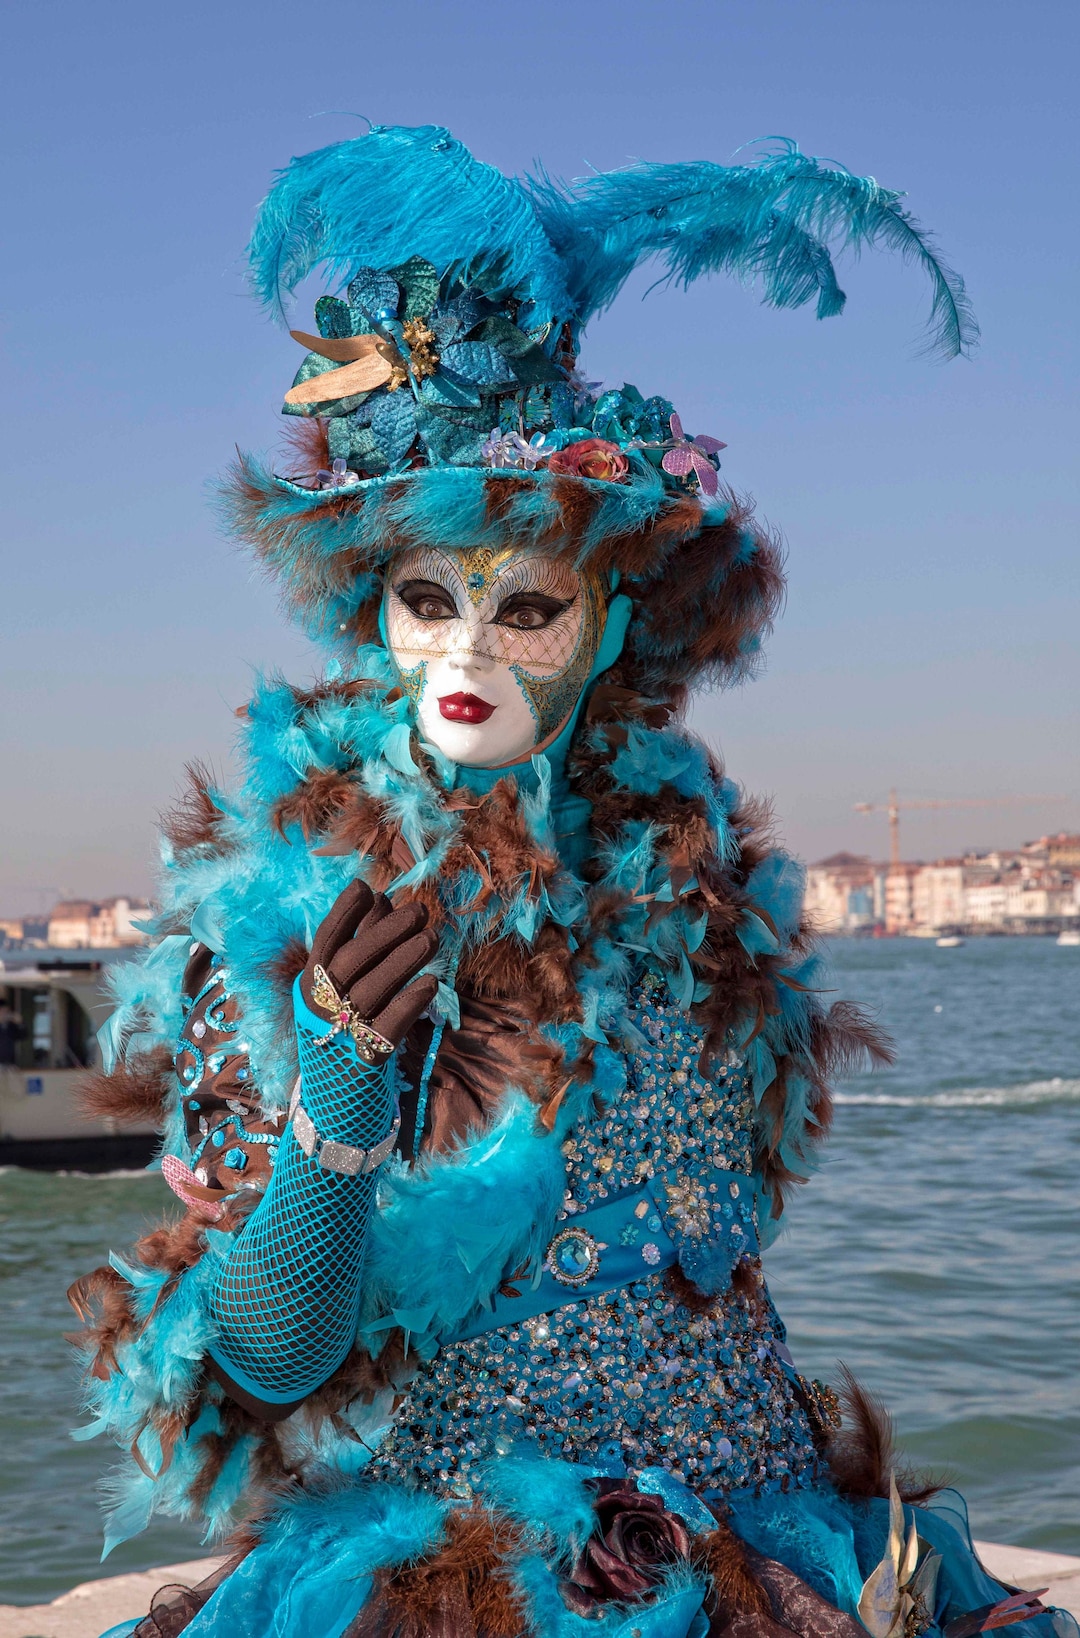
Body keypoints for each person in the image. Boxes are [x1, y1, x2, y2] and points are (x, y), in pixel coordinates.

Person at [71, 125, 1070, 1638]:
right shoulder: (293, 911)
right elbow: (268, 1360)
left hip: (765, 1528)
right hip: (485, 1560)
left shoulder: (700, 882)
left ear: (608, 623)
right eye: (427, 599)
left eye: (526, 606)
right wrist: (338, 1107)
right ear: (375, 612)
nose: (468, 652)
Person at [0, 999, 26, 1066]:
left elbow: (23, 1036)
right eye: (2, 1011)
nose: (4, 1014)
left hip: (10, 1062)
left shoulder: (12, 1026)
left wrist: (20, 1024)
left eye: (6, 1011)